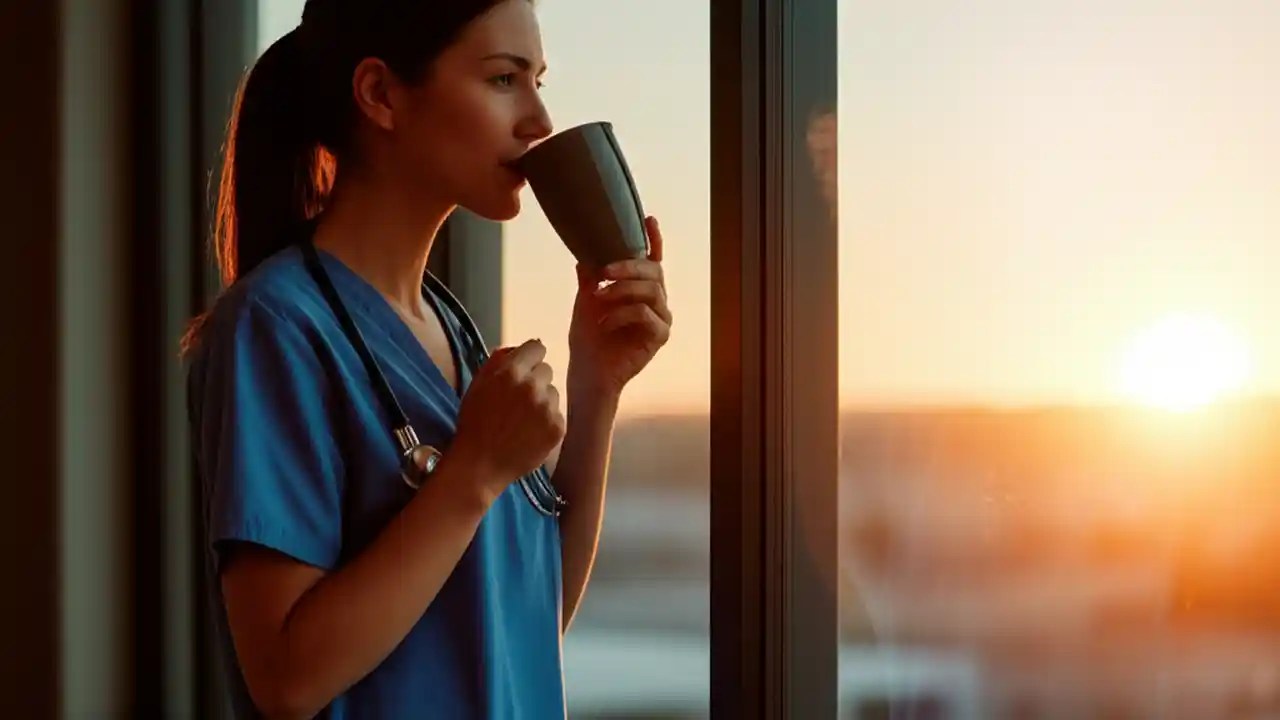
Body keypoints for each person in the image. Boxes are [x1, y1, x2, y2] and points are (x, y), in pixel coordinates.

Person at [182, 0, 673, 717]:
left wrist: (596, 383)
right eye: (505, 80)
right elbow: (286, 678)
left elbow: (523, 620)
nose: (539, 120)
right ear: (381, 94)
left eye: (539, 80)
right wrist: (471, 472)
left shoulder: (451, 328)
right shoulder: (275, 325)